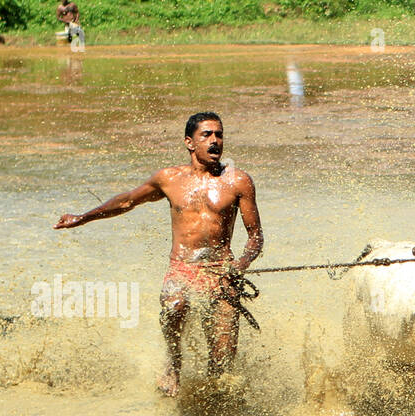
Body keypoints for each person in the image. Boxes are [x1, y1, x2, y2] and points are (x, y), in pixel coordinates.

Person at [54, 112, 264, 397]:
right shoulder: (169, 179)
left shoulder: (238, 181)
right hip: (183, 268)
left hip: (222, 272)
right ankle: (174, 362)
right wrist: (84, 217)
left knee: (222, 361)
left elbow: (255, 236)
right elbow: (128, 200)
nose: (215, 141)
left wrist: (241, 264)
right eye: (207, 135)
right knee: (174, 304)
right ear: (190, 143)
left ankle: (217, 412)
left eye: (219, 135)